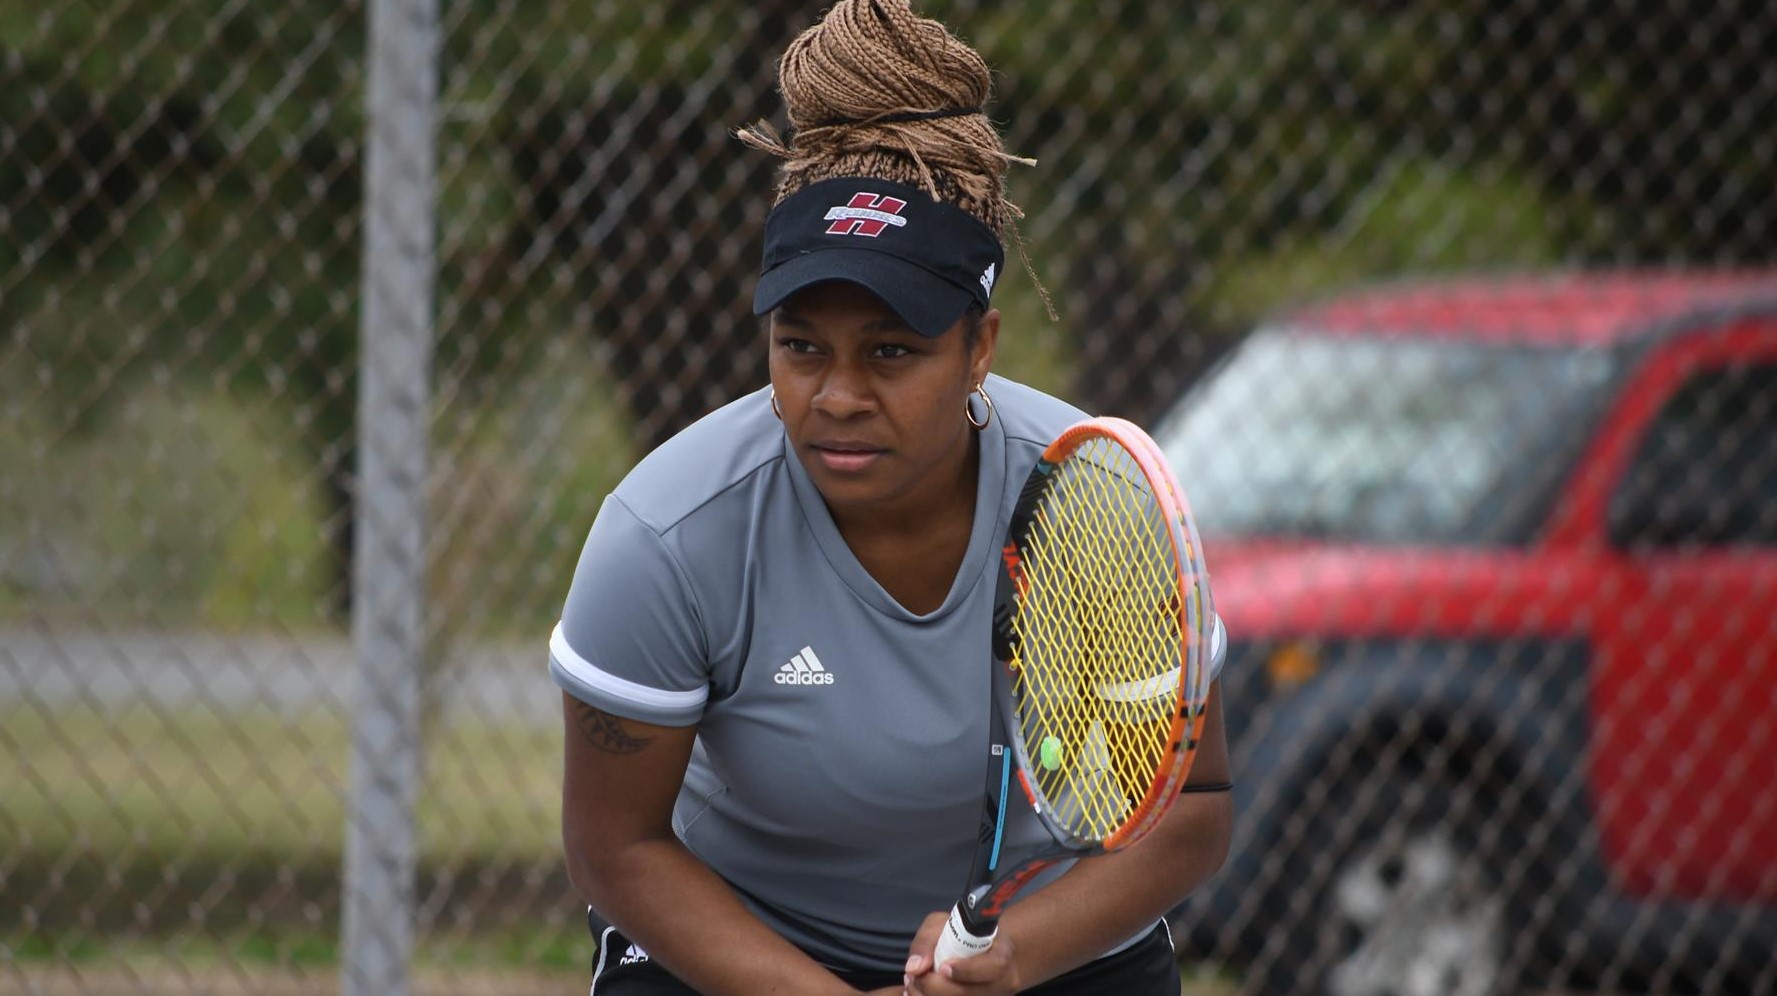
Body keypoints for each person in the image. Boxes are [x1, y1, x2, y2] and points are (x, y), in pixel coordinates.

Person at [549, 2, 1232, 993]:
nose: (836, 394)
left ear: (980, 350)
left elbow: (1193, 806)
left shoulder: (1095, 504)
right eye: (800, 346)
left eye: (891, 351)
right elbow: (615, 849)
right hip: (744, 951)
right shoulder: (668, 535)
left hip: (1039, 952)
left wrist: (1019, 953)